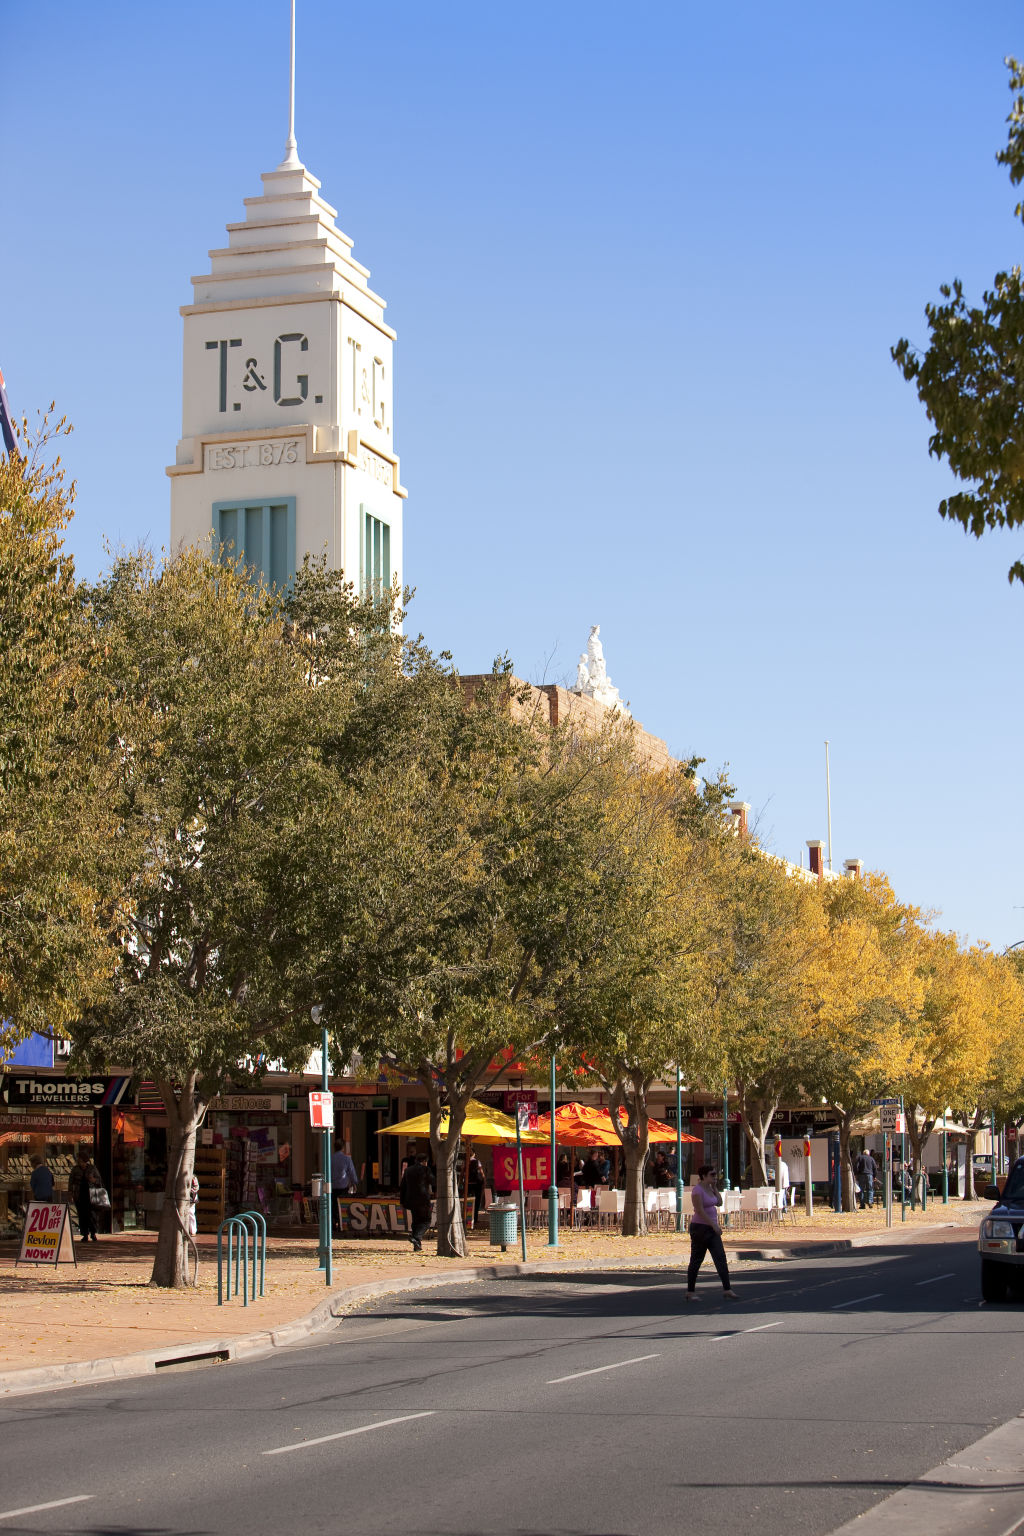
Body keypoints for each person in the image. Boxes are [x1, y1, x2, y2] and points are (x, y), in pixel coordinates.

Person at [686, 1165, 737, 1302]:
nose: (714, 1177)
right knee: (697, 1259)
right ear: (703, 1176)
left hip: (712, 1229)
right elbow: (699, 1210)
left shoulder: (710, 1188)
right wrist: (713, 1225)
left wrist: (715, 1188)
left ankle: (727, 1289)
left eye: (715, 1175)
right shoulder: (697, 1190)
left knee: (720, 1258)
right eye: (712, 1175)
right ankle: (690, 1292)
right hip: (700, 1228)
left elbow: (719, 1203)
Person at [399, 1152, 433, 1252]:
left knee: (416, 1222)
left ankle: (417, 1245)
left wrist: (402, 1201)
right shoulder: (426, 1170)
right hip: (423, 1200)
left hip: (411, 1201)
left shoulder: (408, 1170)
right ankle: (416, 1237)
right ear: (425, 1162)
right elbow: (433, 1181)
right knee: (426, 1222)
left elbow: (403, 1187)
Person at [68, 1149, 101, 1243]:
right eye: (79, 1160)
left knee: (91, 1215)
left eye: (82, 1160)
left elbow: (99, 1181)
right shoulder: (75, 1169)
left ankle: (93, 1233)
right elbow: (71, 1182)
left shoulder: (92, 1168)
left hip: (90, 1195)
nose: (80, 1162)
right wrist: (70, 1193)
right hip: (79, 1195)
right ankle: (84, 1234)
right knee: (82, 1215)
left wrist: (93, 1180)